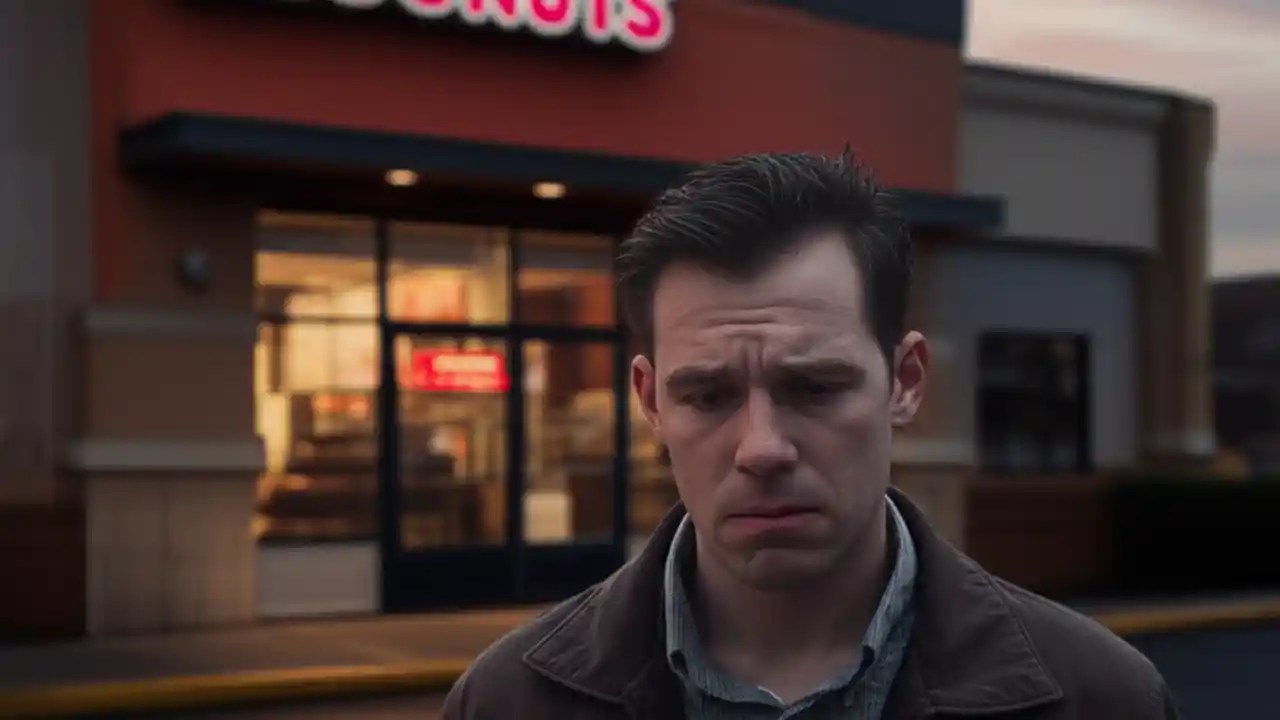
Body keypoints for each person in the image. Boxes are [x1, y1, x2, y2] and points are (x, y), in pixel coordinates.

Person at [442, 151, 1178, 719]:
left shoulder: (1100, 700)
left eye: (815, 387)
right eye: (707, 395)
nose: (762, 447)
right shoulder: (507, 702)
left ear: (905, 381)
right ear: (650, 401)